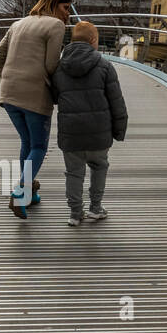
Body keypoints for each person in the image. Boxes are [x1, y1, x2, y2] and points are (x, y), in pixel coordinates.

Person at [0, 0, 70, 219]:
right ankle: (19, 193)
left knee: (27, 143)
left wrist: (10, 77)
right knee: (39, 146)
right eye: (65, 8)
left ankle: (29, 193)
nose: (68, 14)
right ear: (54, 5)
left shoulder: (18, 24)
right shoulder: (56, 26)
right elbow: (51, 66)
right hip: (35, 94)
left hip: (8, 93)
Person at [50, 19, 128, 226]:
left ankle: (75, 214)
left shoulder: (58, 67)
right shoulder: (104, 65)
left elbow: (55, 96)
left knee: (73, 173)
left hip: (71, 132)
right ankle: (96, 208)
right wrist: (119, 131)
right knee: (99, 167)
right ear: (93, 40)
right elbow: (117, 102)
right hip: (98, 131)